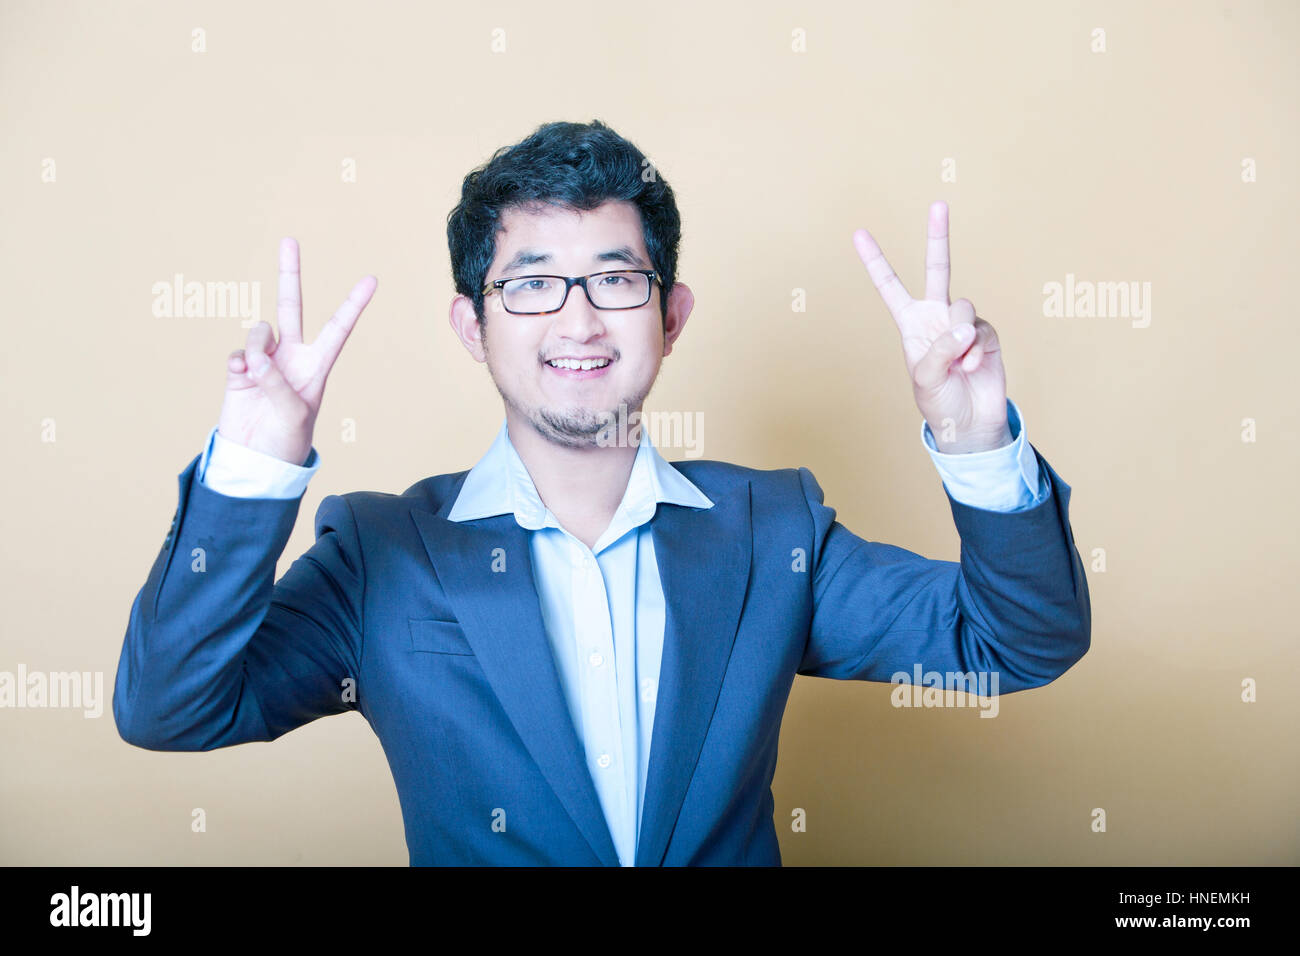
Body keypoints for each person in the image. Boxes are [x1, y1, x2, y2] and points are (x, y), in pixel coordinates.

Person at [113, 119, 1090, 866]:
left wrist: (971, 431)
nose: (577, 319)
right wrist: (253, 463)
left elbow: (1015, 640)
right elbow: (171, 708)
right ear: (471, 324)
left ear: (670, 316)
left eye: (615, 281)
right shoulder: (384, 555)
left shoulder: (772, 529)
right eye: (532, 284)